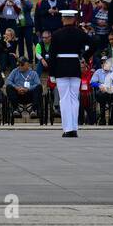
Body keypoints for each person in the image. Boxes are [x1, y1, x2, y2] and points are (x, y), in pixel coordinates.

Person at [48, 9, 91, 137]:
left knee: (64, 99)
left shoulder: (56, 34)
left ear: (62, 19)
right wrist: (85, 56)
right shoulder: (79, 33)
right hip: (74, 67)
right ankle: (74, 128)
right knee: (74, 99)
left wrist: (52, 73)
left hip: (61, 68)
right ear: (73, 19)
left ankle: (67, 129)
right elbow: (94, 43)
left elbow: (52, 55)